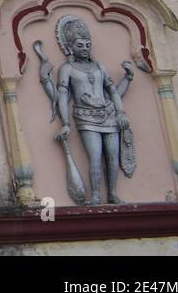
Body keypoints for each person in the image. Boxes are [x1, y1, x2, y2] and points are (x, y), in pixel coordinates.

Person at [54, 15, 134, 205]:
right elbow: (63, 98)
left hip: (108, 115)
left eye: (87, 44)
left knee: (113, 157)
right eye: (80, 45)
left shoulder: (99, 67)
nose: (84, 48)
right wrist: (65, 123)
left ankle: (112, 193)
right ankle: (96, 195)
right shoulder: (67, 69)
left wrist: (122, 110)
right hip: (85, 117)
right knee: (96, 156)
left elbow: (113, 92)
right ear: (70, 47)